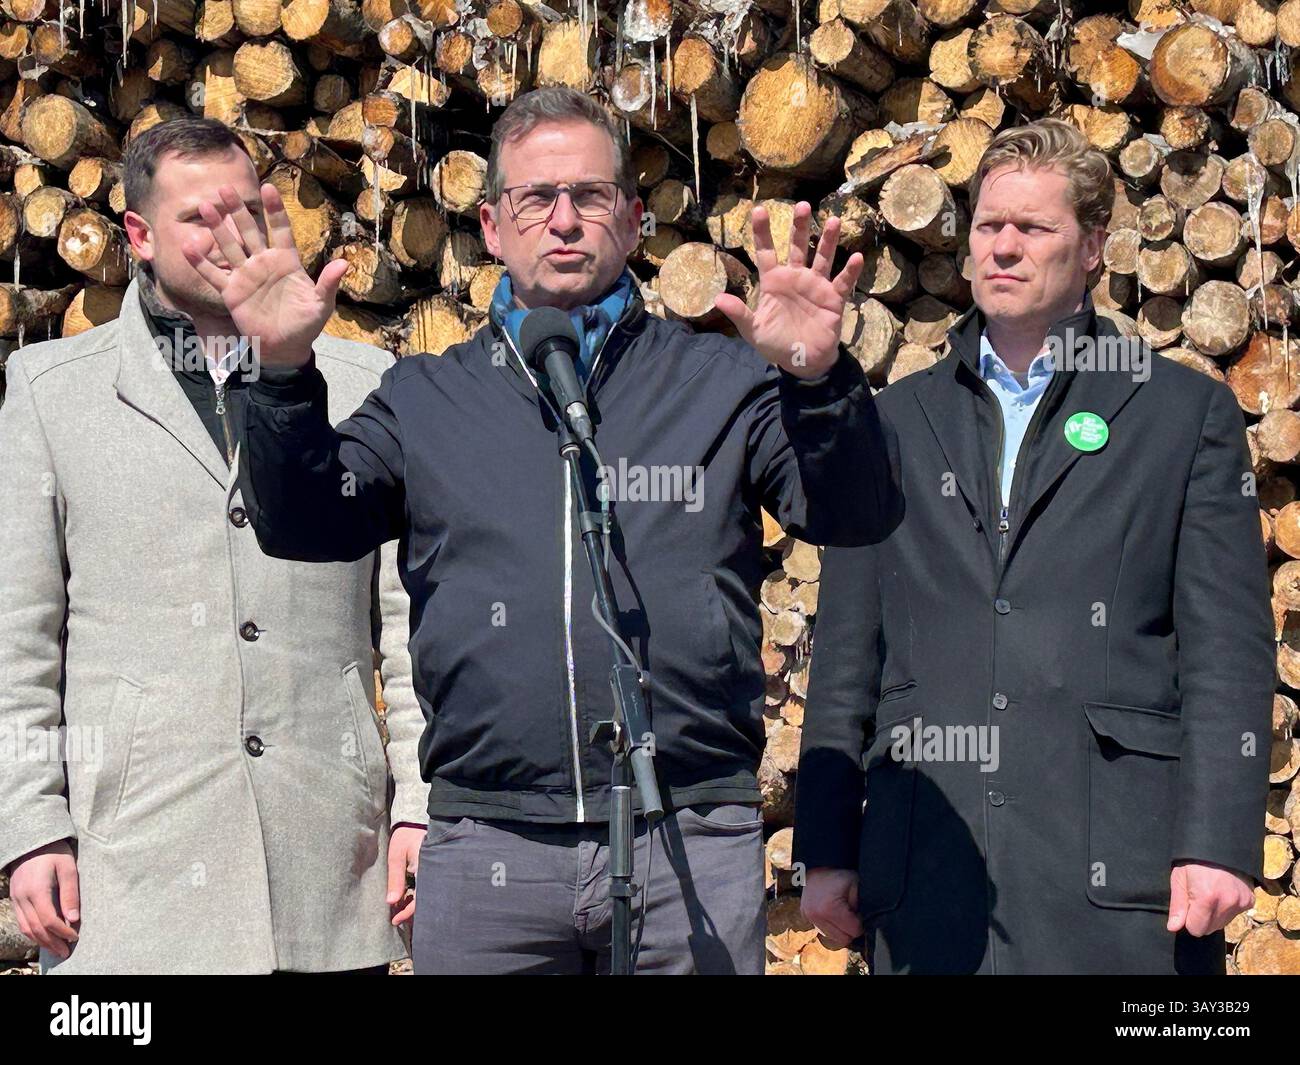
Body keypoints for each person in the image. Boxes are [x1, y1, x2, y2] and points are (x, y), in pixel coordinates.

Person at [193, 86, 892, 974]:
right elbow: (302, 523)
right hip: (492, 845)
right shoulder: (427, 397)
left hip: (687, 832)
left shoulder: (718, 379)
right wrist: (286, 374)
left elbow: (852, 512)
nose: (564, 220)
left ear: (636, 222)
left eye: (591, 197)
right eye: (535, 199)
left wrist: (820, 383)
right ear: (491, 225)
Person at [795, 118, 1276, 975]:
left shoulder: (1178, 417)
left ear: (1092, 248)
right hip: (927, 876)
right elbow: (844, 655)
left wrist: (1218, 842)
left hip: (1119, 881)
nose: (1004, 248)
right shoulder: (895, 423)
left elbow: (1227, 650)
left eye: (1033, 228)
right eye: (988, 226)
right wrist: (828, 844)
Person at [0, 118, 428, 974]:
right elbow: (18, 638)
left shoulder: (362, 385)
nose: (227, 237)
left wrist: (419, 802)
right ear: (138, 235)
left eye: (242, 212)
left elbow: (410, 621)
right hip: (131, 869)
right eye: (197, 218)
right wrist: (30, 822)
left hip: (326, 863)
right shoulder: (52, 395)